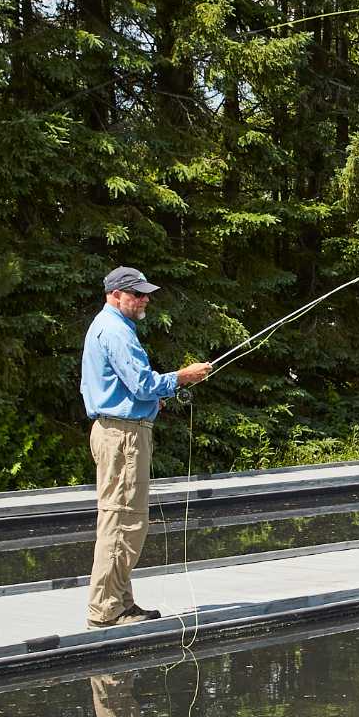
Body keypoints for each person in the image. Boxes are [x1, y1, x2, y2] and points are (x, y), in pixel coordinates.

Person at [79, 266, 209, 627]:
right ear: (115, 294)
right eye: (137, 294)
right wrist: (182, 377)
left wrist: (152, 400)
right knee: (124, 520)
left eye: (145, 294)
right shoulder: (115, 330)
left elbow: (125, 388)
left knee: (122, 518)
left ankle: (121, 603)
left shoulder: (109, 327)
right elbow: (142, 384)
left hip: (118, 432)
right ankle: (105, 611)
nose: (144, 300)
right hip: (122, 436)